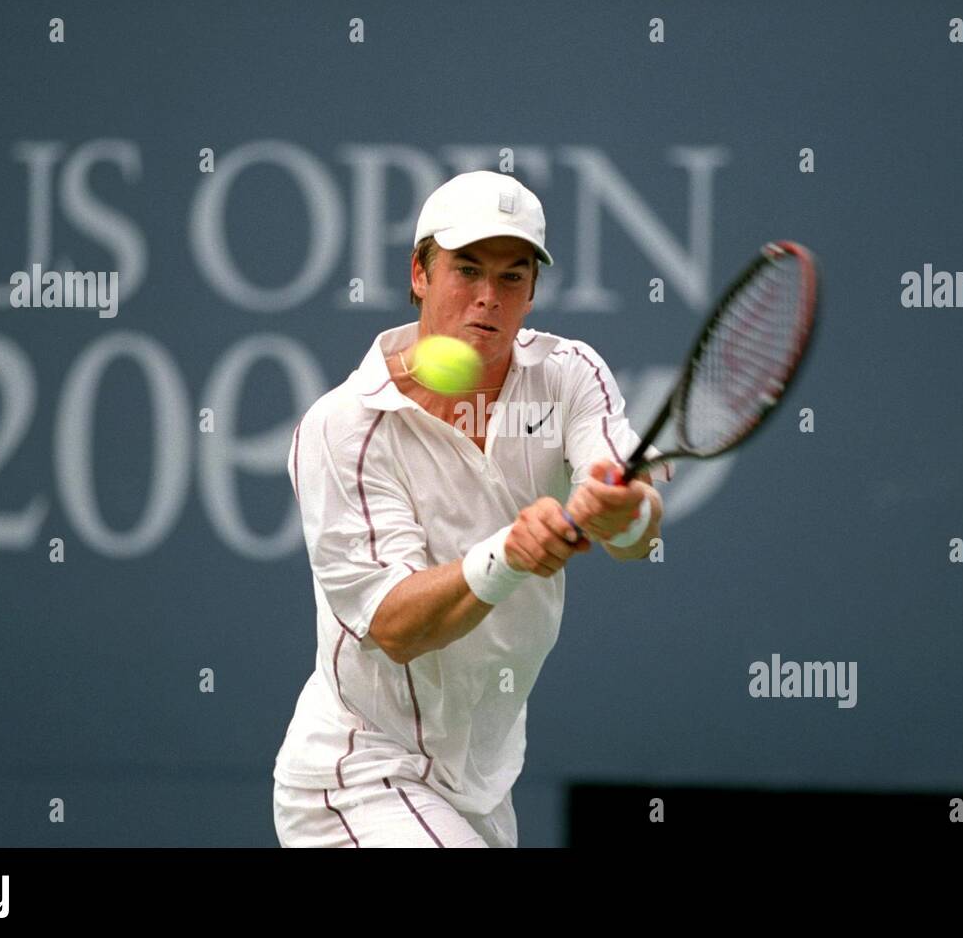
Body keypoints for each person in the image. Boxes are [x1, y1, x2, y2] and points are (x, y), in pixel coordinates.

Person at [272, 170, 673, 847]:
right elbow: (396, 626)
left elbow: (635, 532)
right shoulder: (344, 427)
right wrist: (509, 554)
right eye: (466, 269)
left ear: (533, 291)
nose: (487, 298)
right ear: (420, 273)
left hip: (482, 783)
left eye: (512, 278)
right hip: (359, 774)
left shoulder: (570, 375)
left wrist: (623, 512)